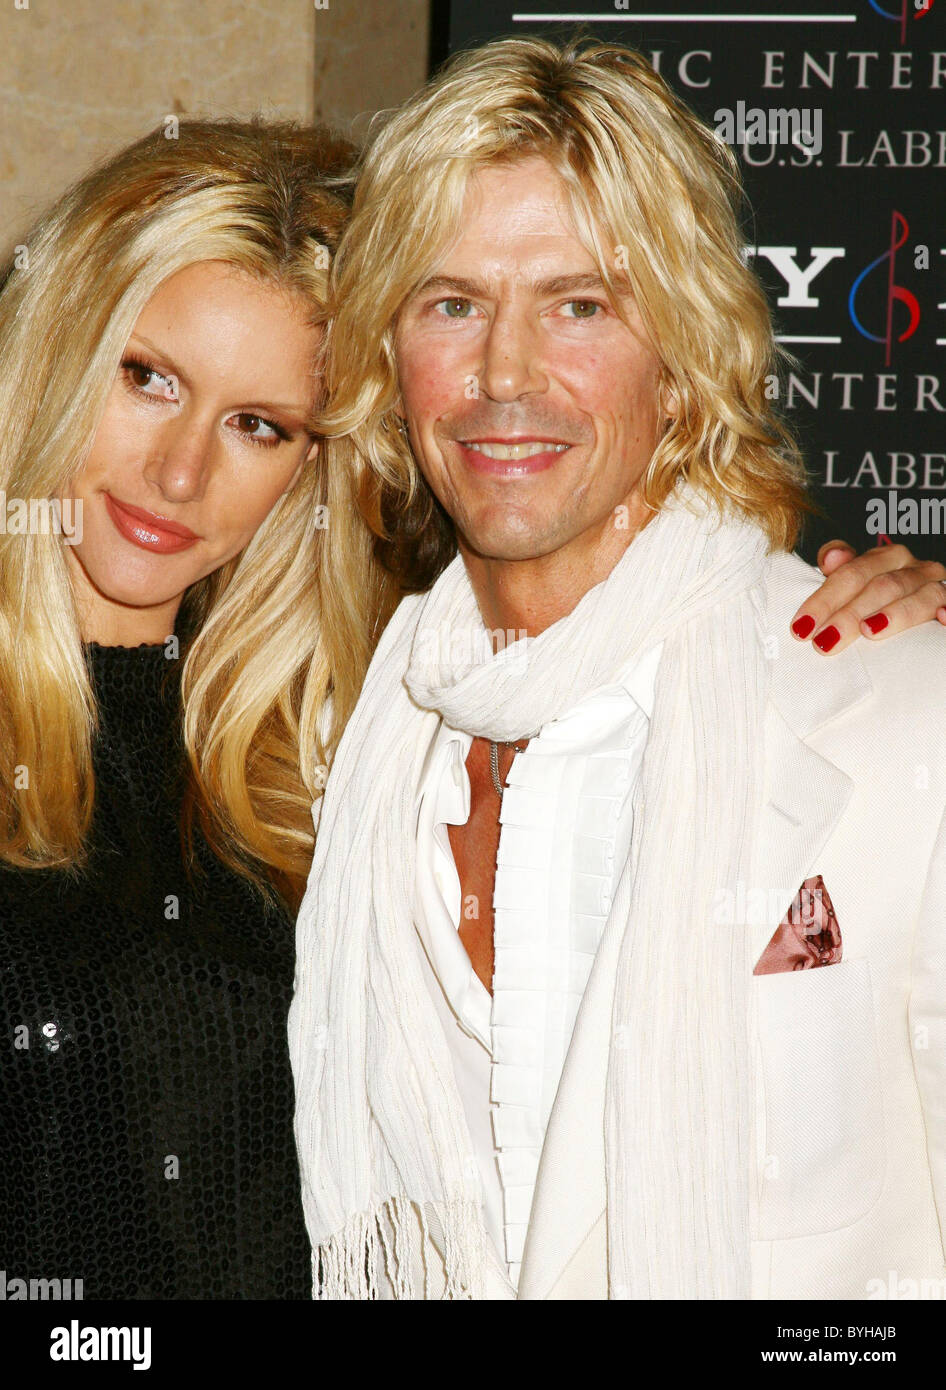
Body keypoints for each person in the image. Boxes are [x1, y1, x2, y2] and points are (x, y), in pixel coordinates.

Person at [289, 36, 946, 1300]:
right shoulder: (353, 751)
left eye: (579, 303)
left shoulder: (896, 714)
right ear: (388, 353)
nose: (503, 376)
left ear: (681, 353)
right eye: (451, 302)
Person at [0, 118, 393, 1299]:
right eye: (149, 378)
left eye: (257, 424)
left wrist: (840, 635)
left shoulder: (335, 769)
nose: (181, 473)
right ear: (56, 350)